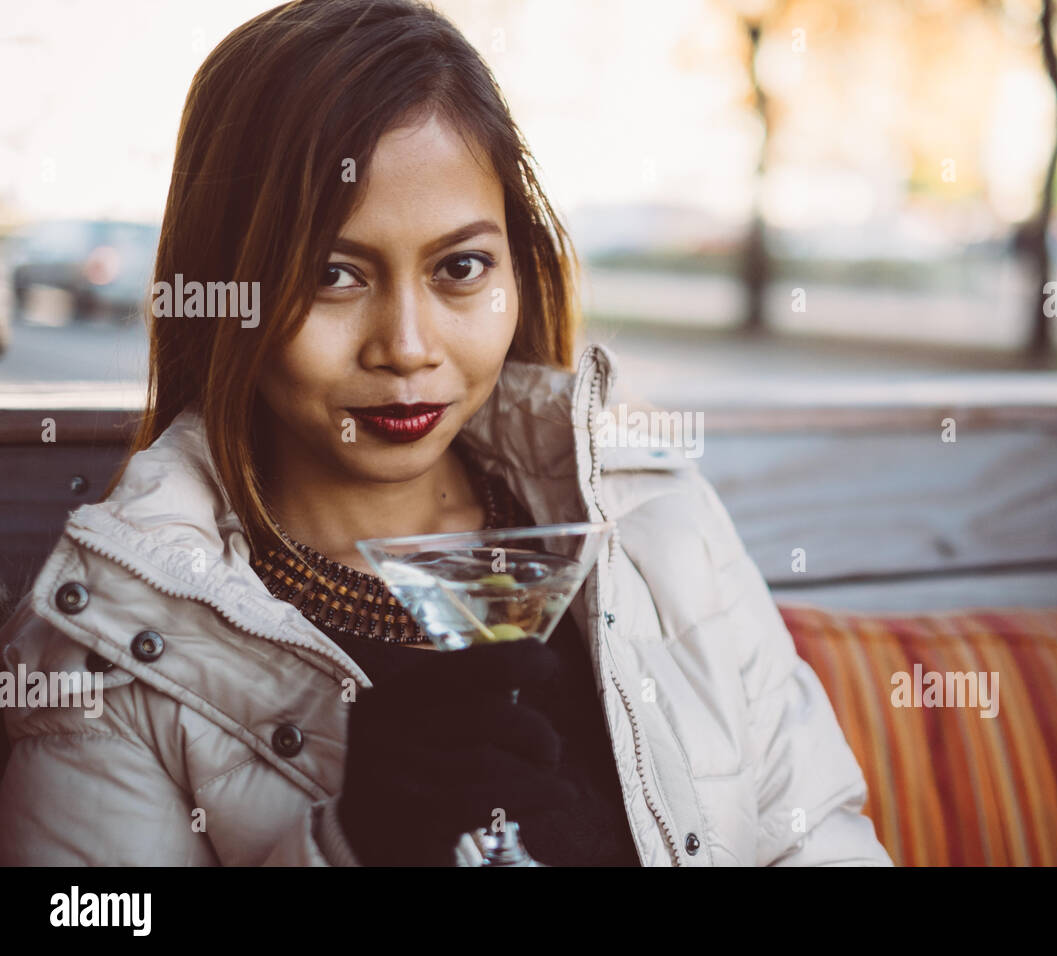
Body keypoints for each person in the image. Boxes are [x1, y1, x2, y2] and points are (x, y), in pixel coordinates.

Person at [0, 0, 892, 867]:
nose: (408, 347)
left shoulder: (657, 519)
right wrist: (346, 847)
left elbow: (815, 837)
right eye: (334, 275)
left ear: (519, 265)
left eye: (460, 268)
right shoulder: (109, 642)